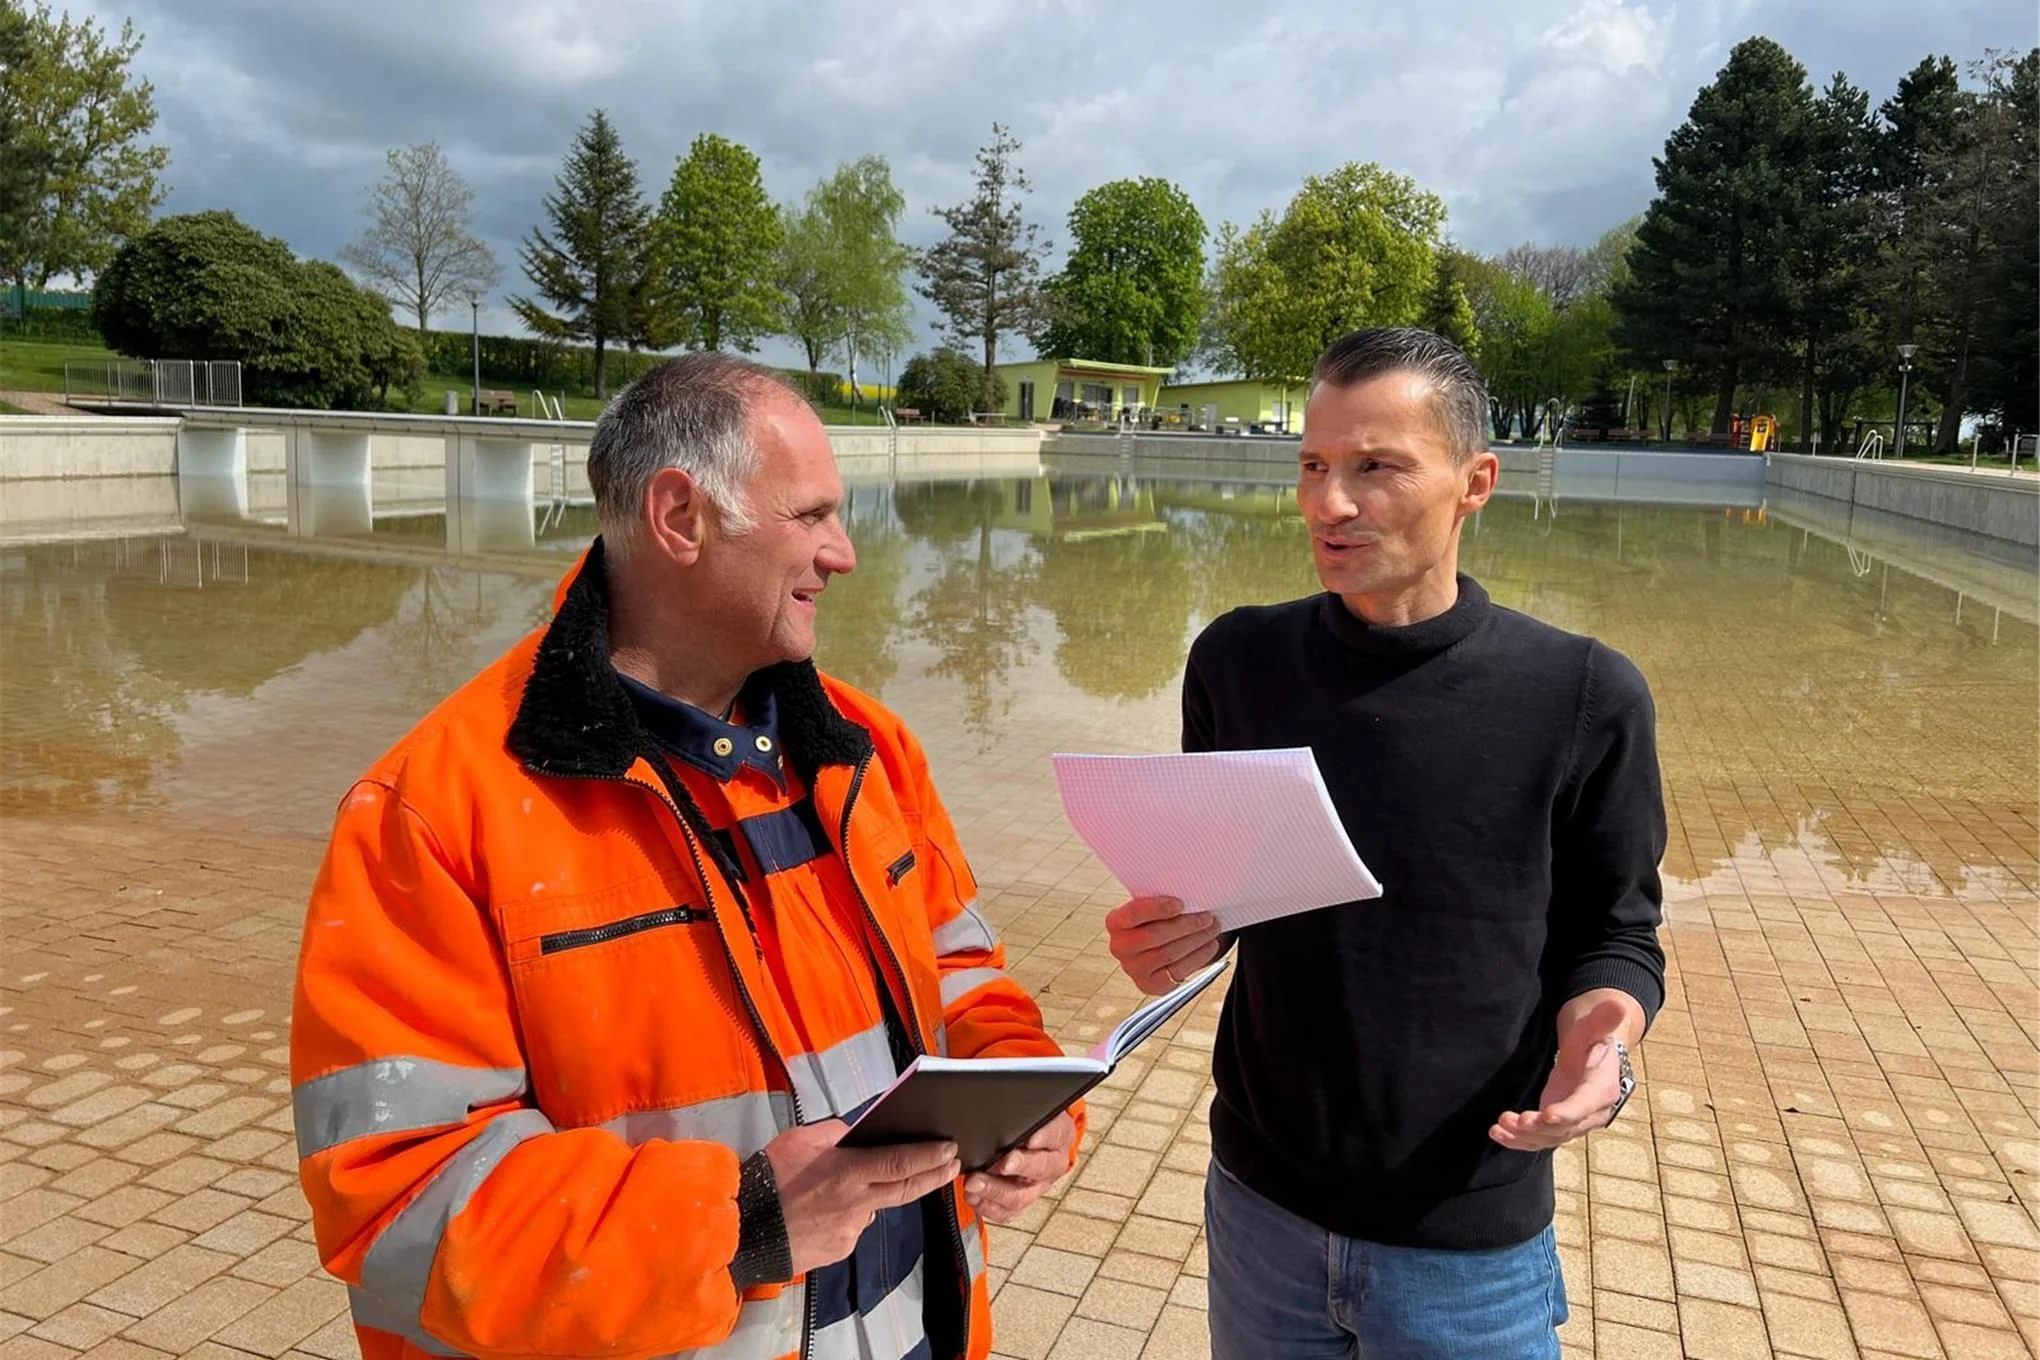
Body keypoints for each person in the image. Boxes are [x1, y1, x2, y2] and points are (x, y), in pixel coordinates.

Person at [291, 353, 1081, 1360]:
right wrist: (741, 1219)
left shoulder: (869, 749)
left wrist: (1018, 1087)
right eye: (811, 516)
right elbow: (396, 1198)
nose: (843, 553)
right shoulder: (431, 815)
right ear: (680, 517)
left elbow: (962, 972)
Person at [1105, 327, 1666, 1358]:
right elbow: (1222, 899)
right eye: (1315, 464)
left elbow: (1618, 932)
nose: (1330, 503)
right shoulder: (1238, 661)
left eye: (1377, 467)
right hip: (1262, 1206)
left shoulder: (1584, 695)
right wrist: (1173, 937)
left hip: (1468, 1242)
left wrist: (1605, 1037)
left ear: (1475, 481)